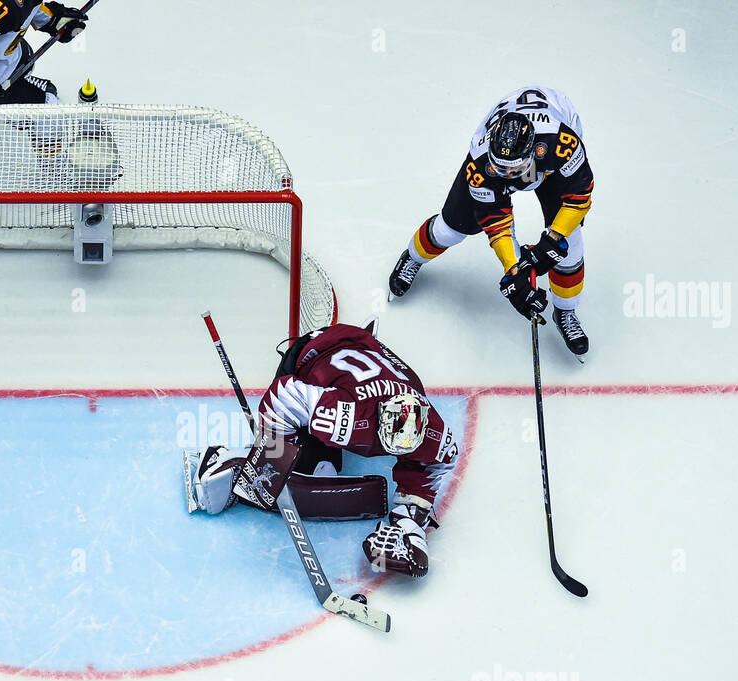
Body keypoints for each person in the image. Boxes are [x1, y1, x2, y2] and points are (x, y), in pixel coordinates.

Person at [189, 321, 458, 578]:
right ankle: (221, 461)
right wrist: (271, 461)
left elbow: (437, 461)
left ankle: (311, 453)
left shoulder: (431, 428)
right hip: (312, 351)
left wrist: (409, 524)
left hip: (371, 351)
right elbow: (281, 398)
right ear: (378, 418)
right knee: (310, 459)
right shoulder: (348, 415)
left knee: (329, 456)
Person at [388, 86, 594, 358]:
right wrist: (516, 270)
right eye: (501, 168)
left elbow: (579, 197)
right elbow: (497, 225)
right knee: (449, 229)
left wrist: (552, 240)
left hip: (549, 163)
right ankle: (412, 257)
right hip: (506, 164)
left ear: (533, 153)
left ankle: (565, 311)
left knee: (570, 245)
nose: (507, 176)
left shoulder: (561, 143)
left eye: (513, 169)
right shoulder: (481, 161)